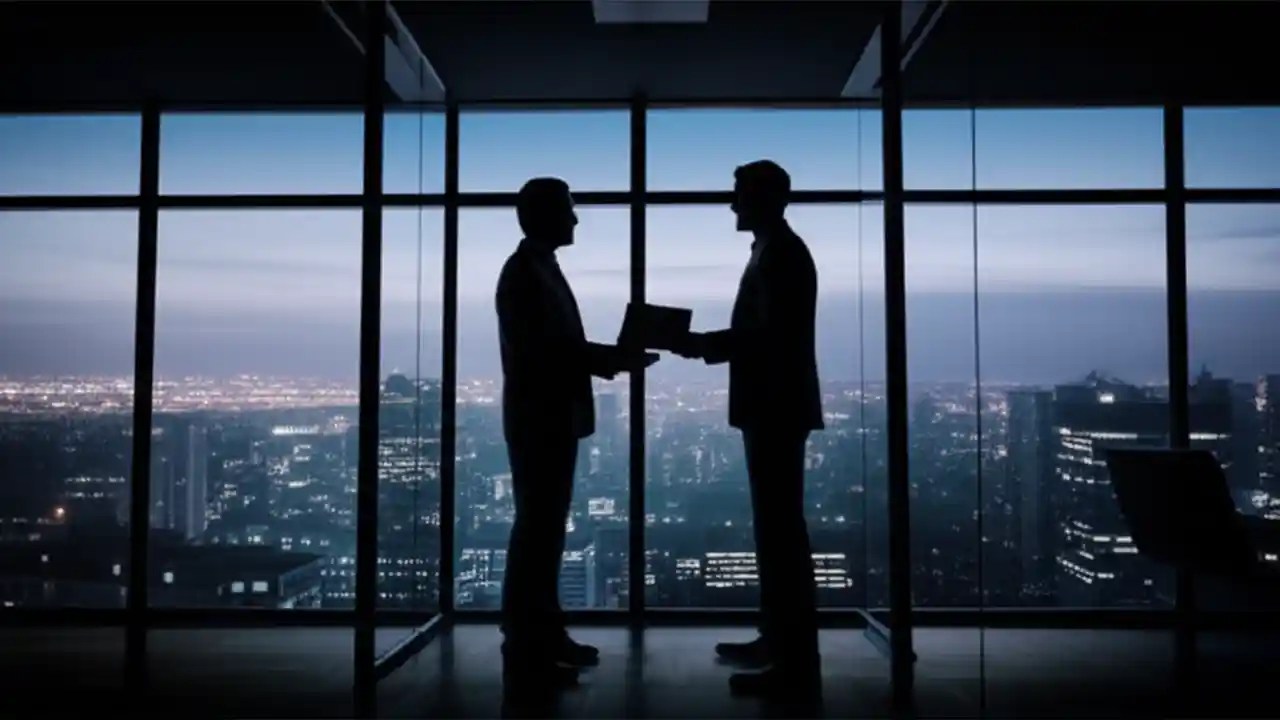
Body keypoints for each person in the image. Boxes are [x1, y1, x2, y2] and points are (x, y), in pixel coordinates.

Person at [495, 177, 656, 690]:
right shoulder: (527, 274)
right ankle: (528, 645)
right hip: (543, 419)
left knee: (541, 534)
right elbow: (551, 351)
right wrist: (613, 359)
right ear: (544, 215)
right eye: (568, 209)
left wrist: (609, 358)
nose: (576, 219)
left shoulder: (535, 269)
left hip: (545, 418)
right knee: (538, 535)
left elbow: (556, 346)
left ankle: (541, 637)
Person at [670, 160, 823, 697]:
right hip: (774, 403)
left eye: (739, 194)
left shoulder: (779, 254)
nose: (732, 205)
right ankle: (779, 642)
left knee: (780, 532)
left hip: (775, 405)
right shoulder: (774, 250)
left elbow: (764, 337)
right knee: (777, 530)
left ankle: (793, 660)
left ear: (763, 198)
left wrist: (703, 345)